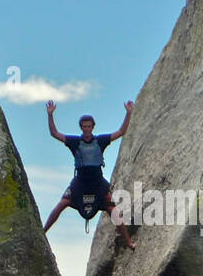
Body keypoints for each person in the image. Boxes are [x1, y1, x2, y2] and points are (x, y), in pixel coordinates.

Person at [43, 100, 136, 249]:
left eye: (89, 126)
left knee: (113, 210)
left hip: (97, 183)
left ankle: (129, 242)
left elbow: (121, 132)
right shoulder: (74, 142)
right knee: (62, 204)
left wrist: (128, 113)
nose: (86, 129)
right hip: (80, 182)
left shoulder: (101, 141)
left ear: (93, 127)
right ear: (81, 127)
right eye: (84, 126)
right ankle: (43, 233)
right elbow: (54, 133)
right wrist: (50, 114)